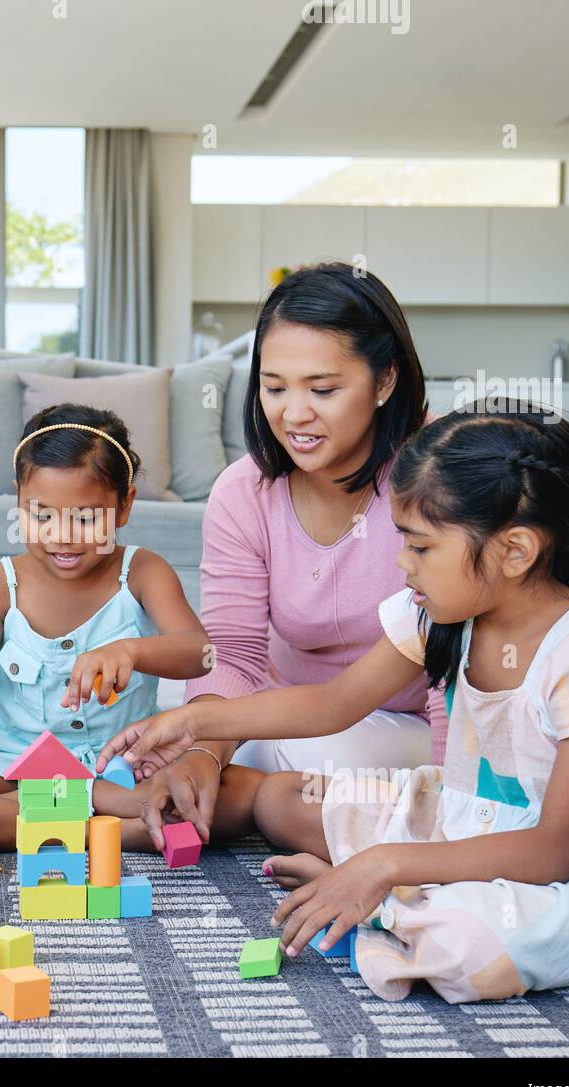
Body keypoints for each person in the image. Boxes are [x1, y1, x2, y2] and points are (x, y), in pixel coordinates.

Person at [101, 406, 569, 1003]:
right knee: (284, 800)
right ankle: (390, 894)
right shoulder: (439, 613)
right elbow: (333, 704)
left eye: (419, 546)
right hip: (467, 818)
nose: (401, 564)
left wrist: (381, 868)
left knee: (470, 945)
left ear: (514, 551)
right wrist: (194, 718)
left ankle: (386, 906)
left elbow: (556, 850)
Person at [150, 263, 442, 846]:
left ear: (385, 382)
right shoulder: (244, 490)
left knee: (299, 751)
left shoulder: (439, 477)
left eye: (323, 389)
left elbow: (456, 669)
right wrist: (204, 749)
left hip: (404, 720)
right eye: (274, 386)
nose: (293, 414)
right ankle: (246, 793)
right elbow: (231, 651)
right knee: (154, 714)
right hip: (280, 706)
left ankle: (262, 797)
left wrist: (452, 795)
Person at [0, 404, 210, 871]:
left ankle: (77, 814)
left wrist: (132, 649)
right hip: (16, 764)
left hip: (121, 765)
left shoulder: (143, 572)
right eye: (41, 515)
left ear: (125, 505)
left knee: (218, 794)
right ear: (18, 500)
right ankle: (110, 822)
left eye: (87, 519)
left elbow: (201, 653)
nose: (63, 537)